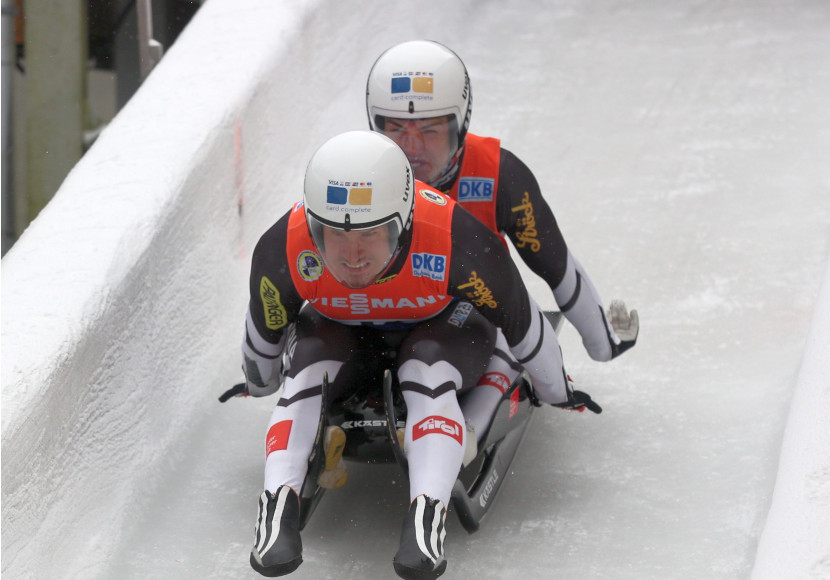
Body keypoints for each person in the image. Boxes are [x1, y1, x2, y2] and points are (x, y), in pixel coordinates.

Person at [235, 130, 602, 580]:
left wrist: (555, 388)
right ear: (312, 225)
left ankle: (425, 519)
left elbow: (522, 322)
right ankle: (276, 510)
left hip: (443, 326)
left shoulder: (456, 239)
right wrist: (262, 381)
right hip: (341, 329)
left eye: (371, 234)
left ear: (405, 222)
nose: (352, 256)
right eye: (333, 235)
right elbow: (263, 335)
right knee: (308, 366)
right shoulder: (283, 246)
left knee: (426, 366)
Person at [365, 40, 638, 439]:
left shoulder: (497, 175)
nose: (412, 148)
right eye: (395, 129)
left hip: (463, 320)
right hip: (368, 315)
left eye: (430, 130)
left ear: (460, 124)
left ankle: (468, 428)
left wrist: (602, 343)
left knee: (509, 314)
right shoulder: (351, 174)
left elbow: (554, 263)